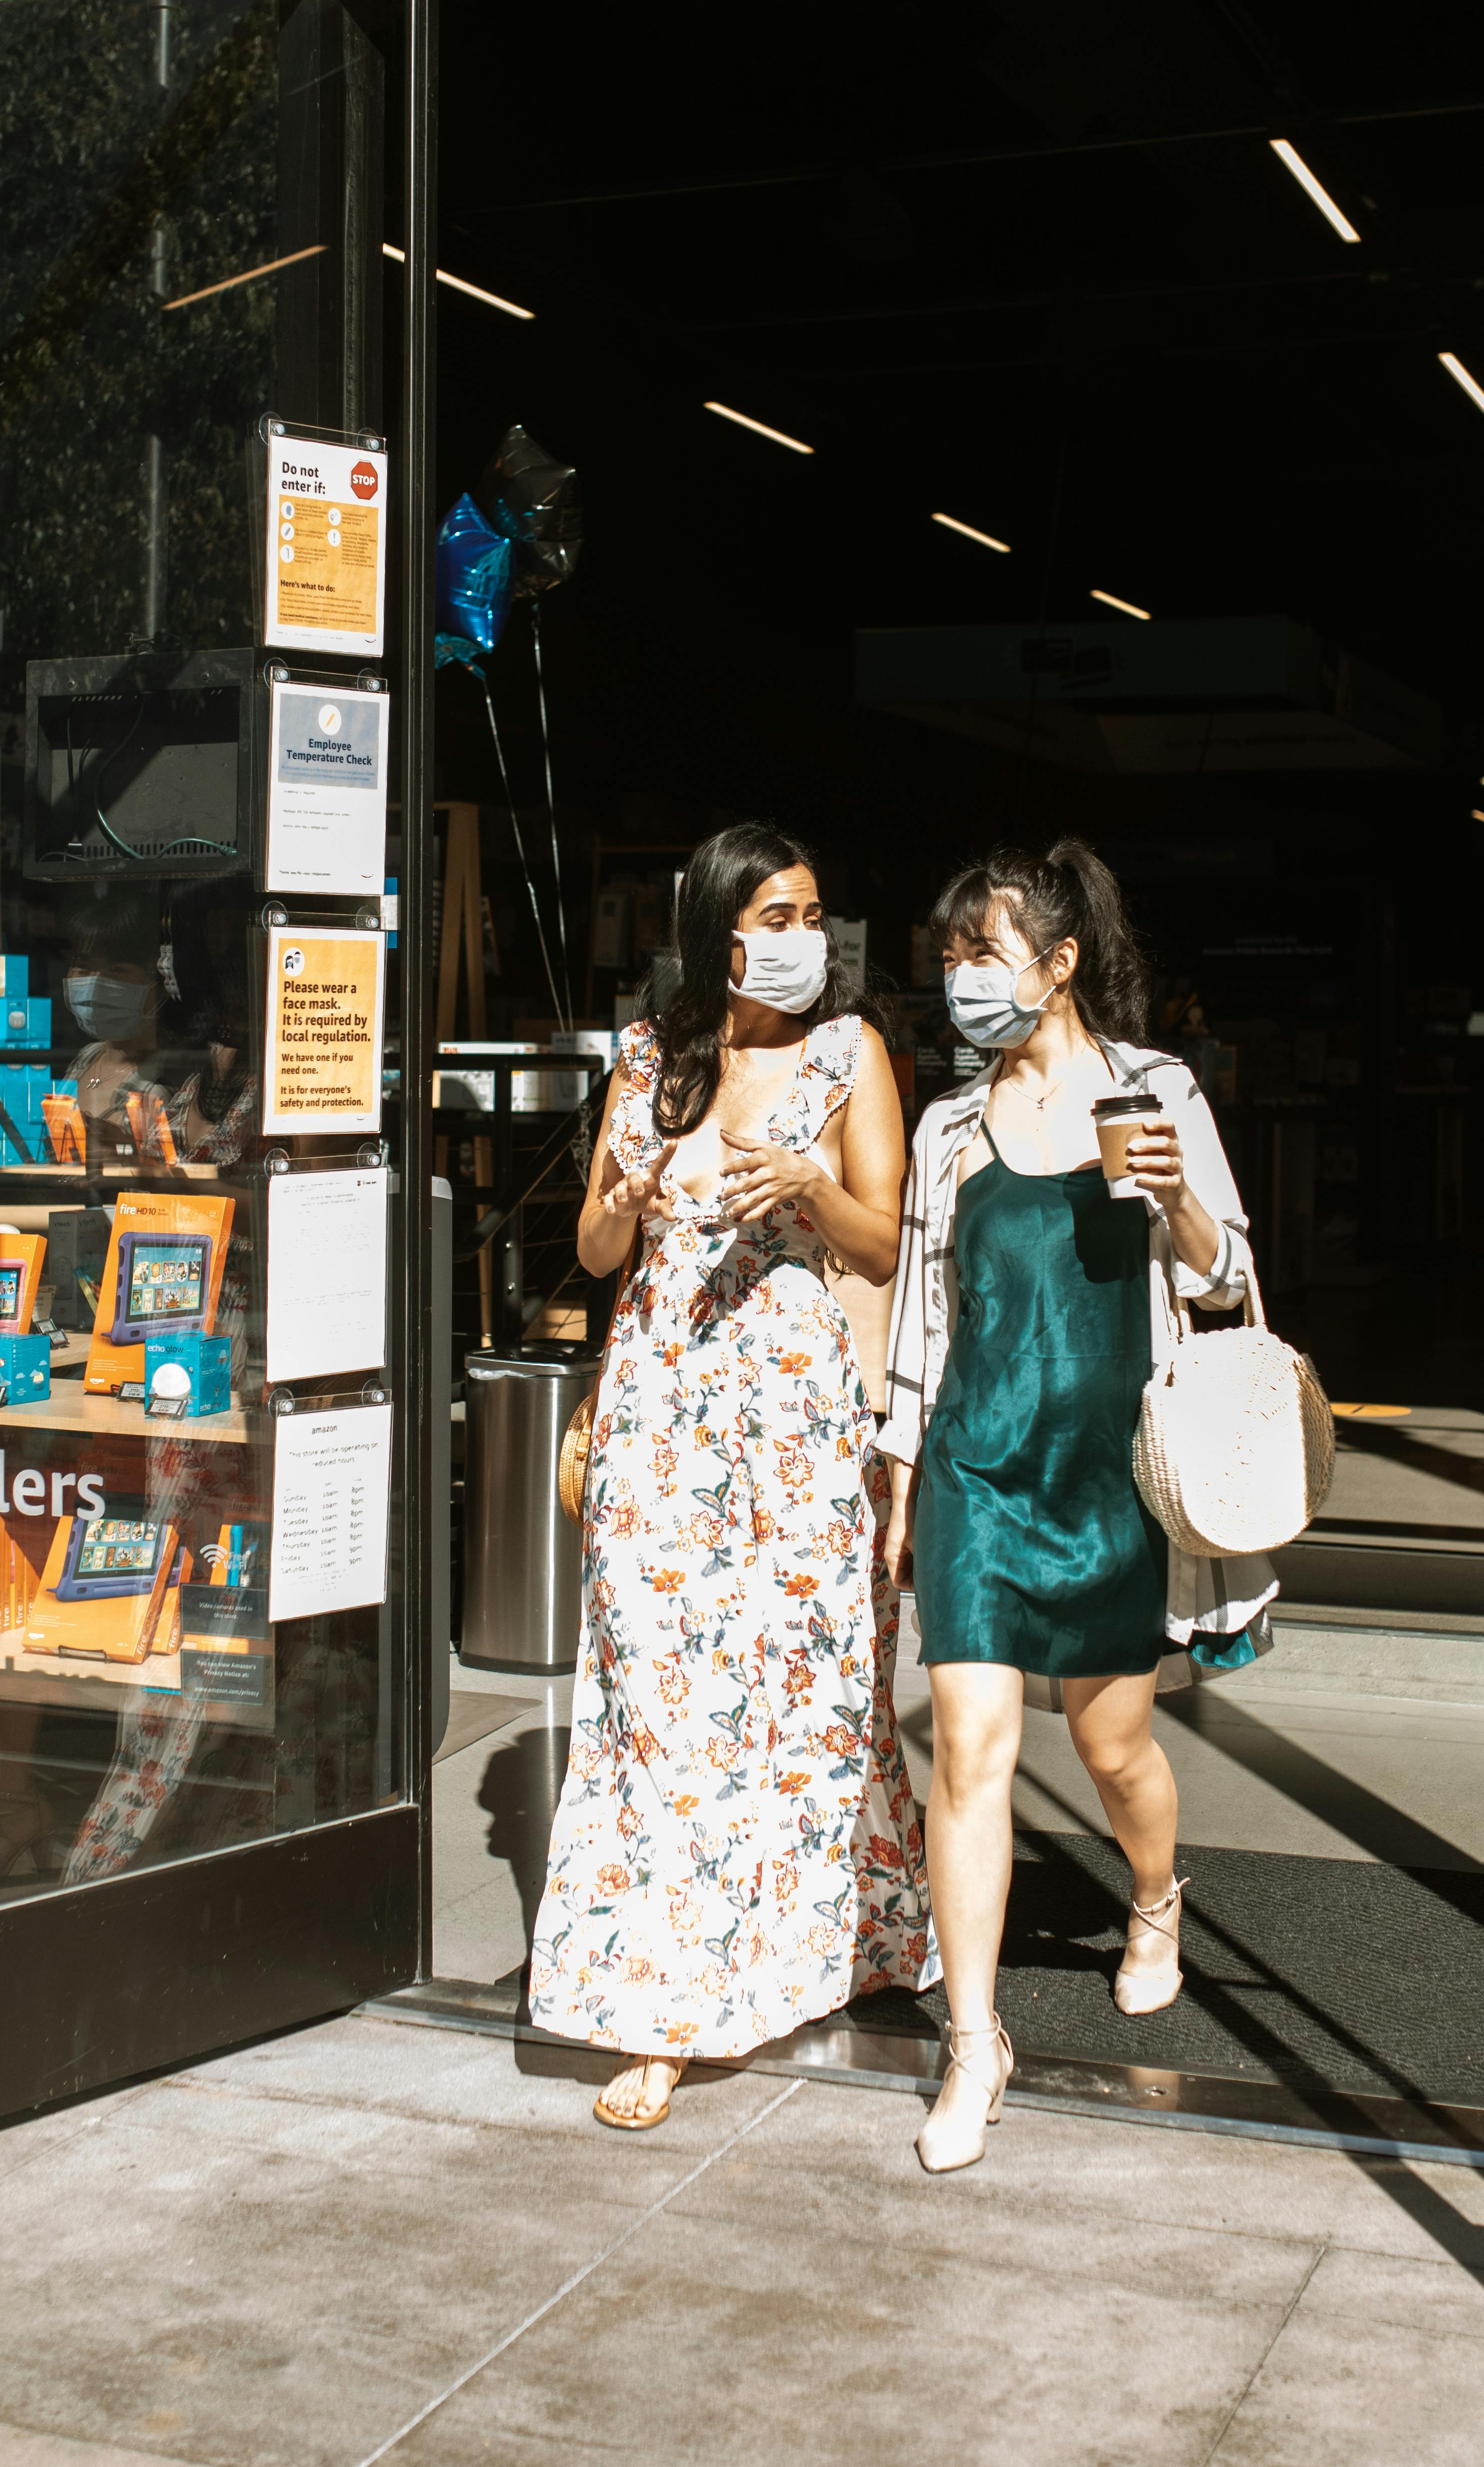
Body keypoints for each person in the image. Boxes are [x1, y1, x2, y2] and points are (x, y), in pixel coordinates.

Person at [529, 822, 936, 2127]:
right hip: (659, 1406)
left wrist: (810, 1184)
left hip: (792, 1411)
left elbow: (886, 1244)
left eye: (811, 912)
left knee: (816, 1694)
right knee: (659, 1706)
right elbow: (597, 1251)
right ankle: (664, 2005)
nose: (797, 936)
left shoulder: (847, 1053)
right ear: (715, 928)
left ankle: (844, 1941)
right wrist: (621, 1181)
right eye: (771, 913)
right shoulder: (647, 1059)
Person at [882, 840, 1274, 2172]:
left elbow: (1229, 1286)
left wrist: (1177, 1205)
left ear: (1055, 965)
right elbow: (920, 1329)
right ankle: (975, 2041)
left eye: (980, 952)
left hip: (1109, 1479)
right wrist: (897, 1477)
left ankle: (1156, 1898)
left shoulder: (1157, 1096)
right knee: (970, 1750)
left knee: (1113, 1754)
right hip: (976, 1475)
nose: (959, 979)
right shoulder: (944, 1130)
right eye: (947, 956)